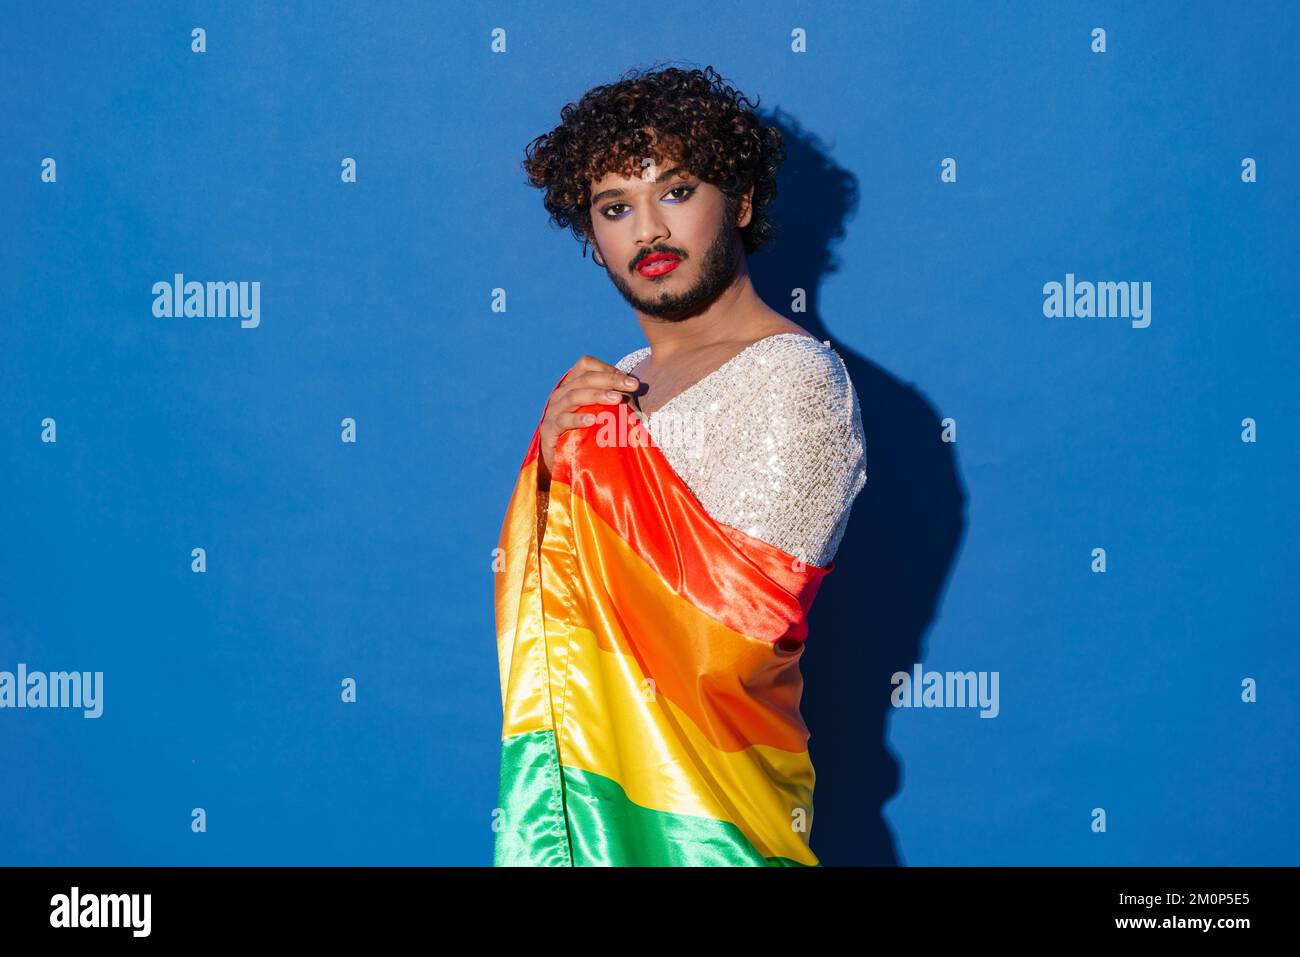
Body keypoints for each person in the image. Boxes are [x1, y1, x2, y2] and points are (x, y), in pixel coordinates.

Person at [493, 64, 867, 866]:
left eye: (677, 190)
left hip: (716, 821)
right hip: (604, 812)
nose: (649, 231)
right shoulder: (621, 377)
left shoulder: (795, 374)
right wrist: (556, 470)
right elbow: (562, 608)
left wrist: (591, 464)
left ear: (739, 201)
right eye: (616, 207)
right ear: (592, 239)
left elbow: (736, 635)